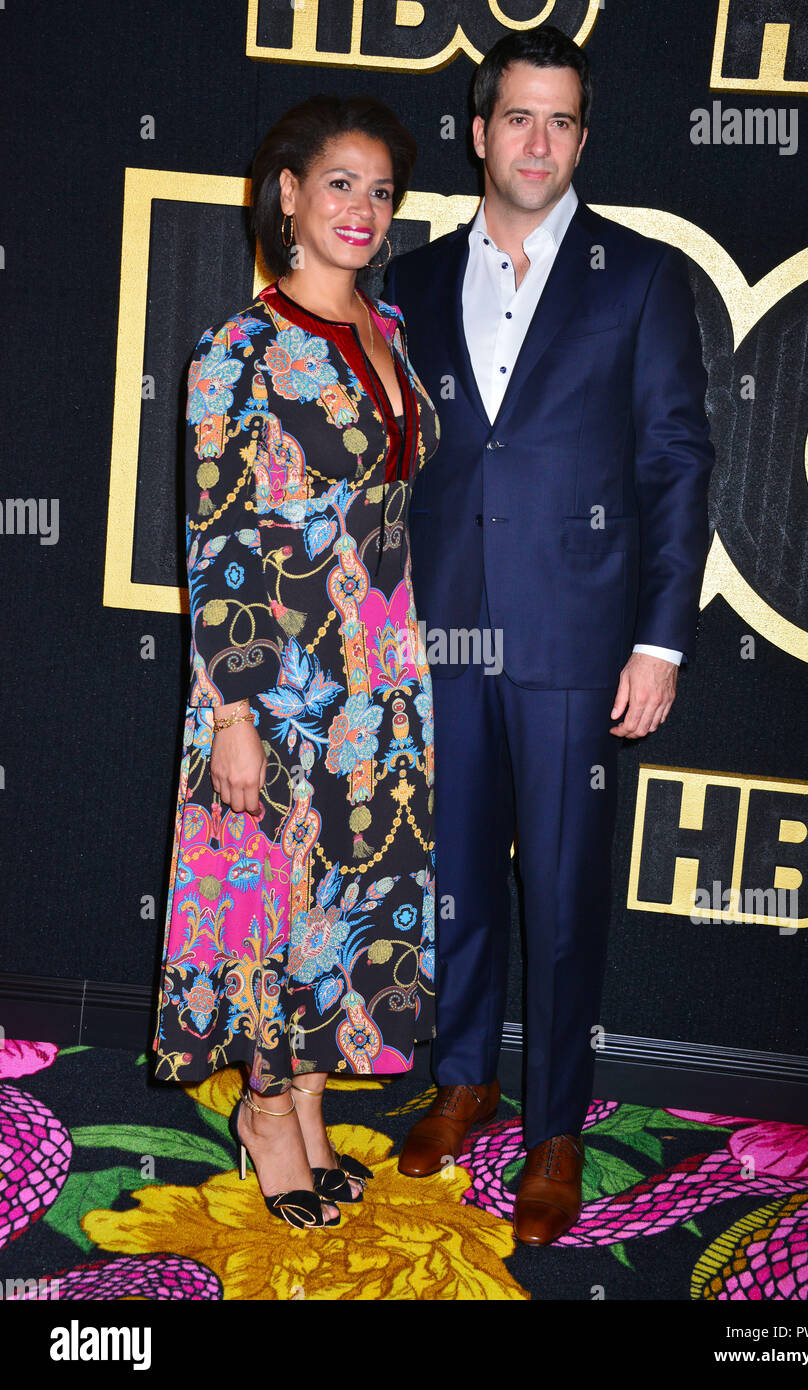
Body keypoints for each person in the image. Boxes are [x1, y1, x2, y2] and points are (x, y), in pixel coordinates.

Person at [385, 26, 715, 1244]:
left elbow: (676, 462)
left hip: (579, 637)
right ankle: (463, 1073)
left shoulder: (634, 274)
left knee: (566, 894)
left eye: (560, 121)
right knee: (455, 876)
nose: (537, 142)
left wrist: (660, 641)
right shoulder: (409, 280)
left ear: (581, 135)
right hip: (439, 634)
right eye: (516, 118)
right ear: (478, 133)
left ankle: (555, 1125)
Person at [153, 95, 439, 1229]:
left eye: (379, 191)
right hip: (279, 682)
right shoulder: (236, 351)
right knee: (280, 900)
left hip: (382, 674)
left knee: (351, 900)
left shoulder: (392, 329)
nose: (362, 209)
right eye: (339, 184)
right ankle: (264, 1114)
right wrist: (228, 710)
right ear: (287, 195)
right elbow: (216, 539)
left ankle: (311, 1103)